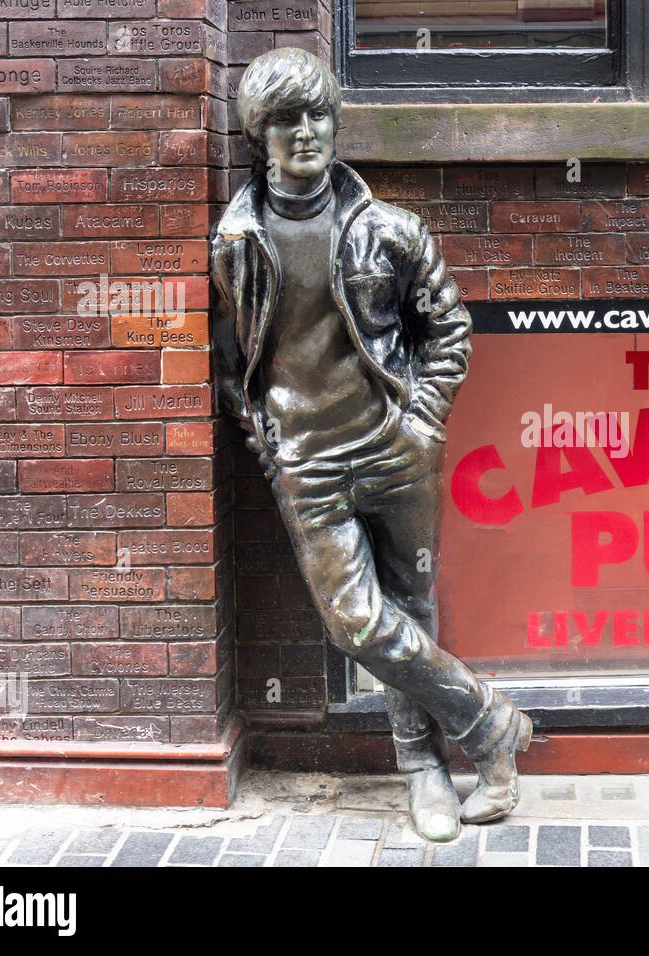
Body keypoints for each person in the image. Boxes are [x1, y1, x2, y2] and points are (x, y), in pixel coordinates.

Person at [210, 47, 531, 843]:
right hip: (310, 465)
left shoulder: (390, 229)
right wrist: (272, 449)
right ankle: (493, 726)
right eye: (286, 119)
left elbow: (449, 329)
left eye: (317, 113)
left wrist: (421, 420)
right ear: (260, 135)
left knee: (411, 610)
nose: (307, 132)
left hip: (397, 451)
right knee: (358, 624)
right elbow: (231, 368)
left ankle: (429, 769)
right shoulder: (238, 243)